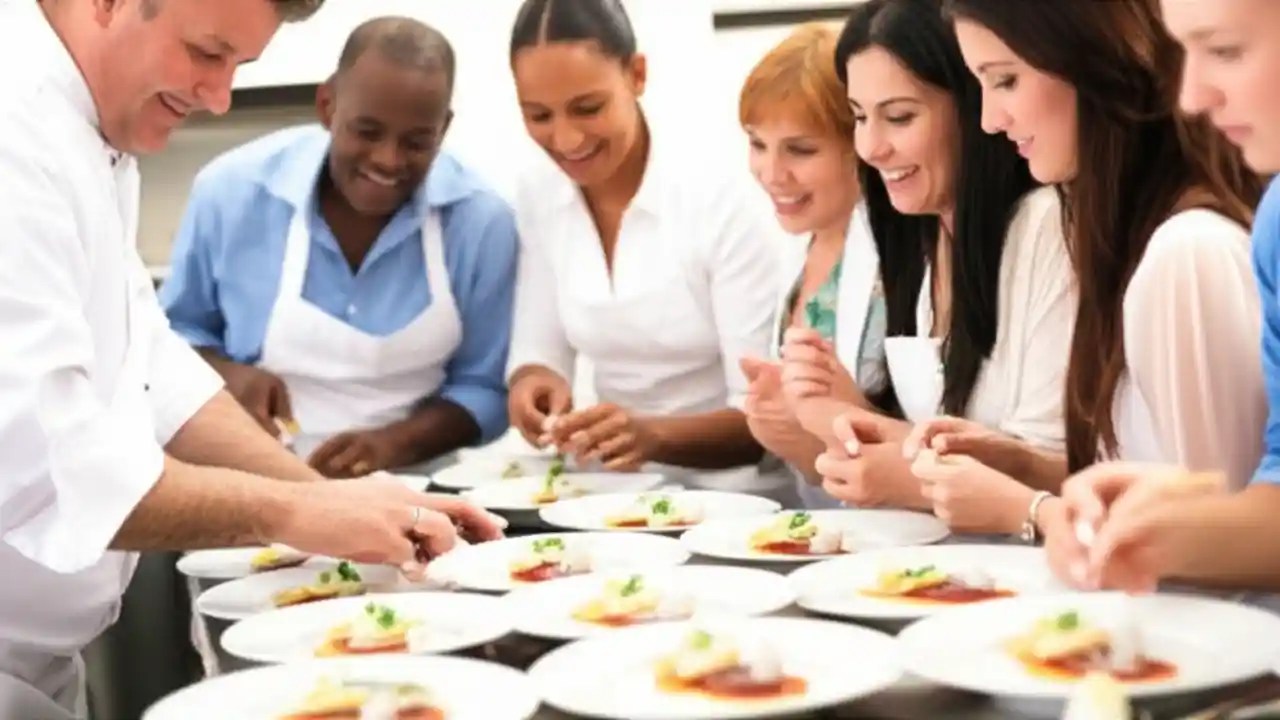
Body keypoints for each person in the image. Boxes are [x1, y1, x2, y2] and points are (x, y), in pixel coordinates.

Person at [0, 2, 502, 717]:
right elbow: (51, 470)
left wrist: (328, 499)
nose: (219, 95)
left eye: (239, 65)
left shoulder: (90, 129)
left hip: (32, 664)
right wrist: (295, 510)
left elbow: (152, 371)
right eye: (207, 52)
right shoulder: (10, 130)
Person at [878, 0, 1263, 547]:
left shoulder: (1188, 250)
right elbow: (1158, 481)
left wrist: (1027, 509)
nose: (989, 120)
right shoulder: (1117, 236)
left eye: (1006, 80)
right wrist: (1022, 465)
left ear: (1088, 59)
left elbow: (1221, 534)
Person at [160, 17, 518, 478]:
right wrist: (233, 378)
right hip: (249, 481)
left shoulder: (481, 222)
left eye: (416, 142)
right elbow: (167, 345)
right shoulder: (232, 193)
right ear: (328, 106)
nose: (388, 159)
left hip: (417, 490)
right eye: (367, 132)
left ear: (443, 129)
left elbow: (487, 390)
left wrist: (395, 444)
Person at [784, 0, 1075, 534]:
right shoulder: (917, 234)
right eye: (858, 117)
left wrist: (905, 477)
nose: (871, 147)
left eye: (899, 117)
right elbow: (942, 439)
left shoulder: (1044, 226)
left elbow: (1053, 466)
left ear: (972, 107)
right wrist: (845, 416)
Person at [503, 0, 788, 498]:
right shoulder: (539, 191)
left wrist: (650, 436)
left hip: (738, 502)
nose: (565, 139)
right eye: (538, 115)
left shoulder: (722, 196)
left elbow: (765, 420)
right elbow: (540, 346)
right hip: (607, 498)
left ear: (637, 75)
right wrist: (533, 385)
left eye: (588, 108)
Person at [1053, 0, 1280, 594]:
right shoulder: (1276, 223)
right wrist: (1163, 524)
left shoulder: (1194, 244)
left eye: (1226, 51)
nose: (1191, 98)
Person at [734, 23, 882, 509]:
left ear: (858, 142)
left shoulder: (893, 266)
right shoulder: (801, 247)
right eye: (758, 144)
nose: (772, 173)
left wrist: (807, 442)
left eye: (800, 149)